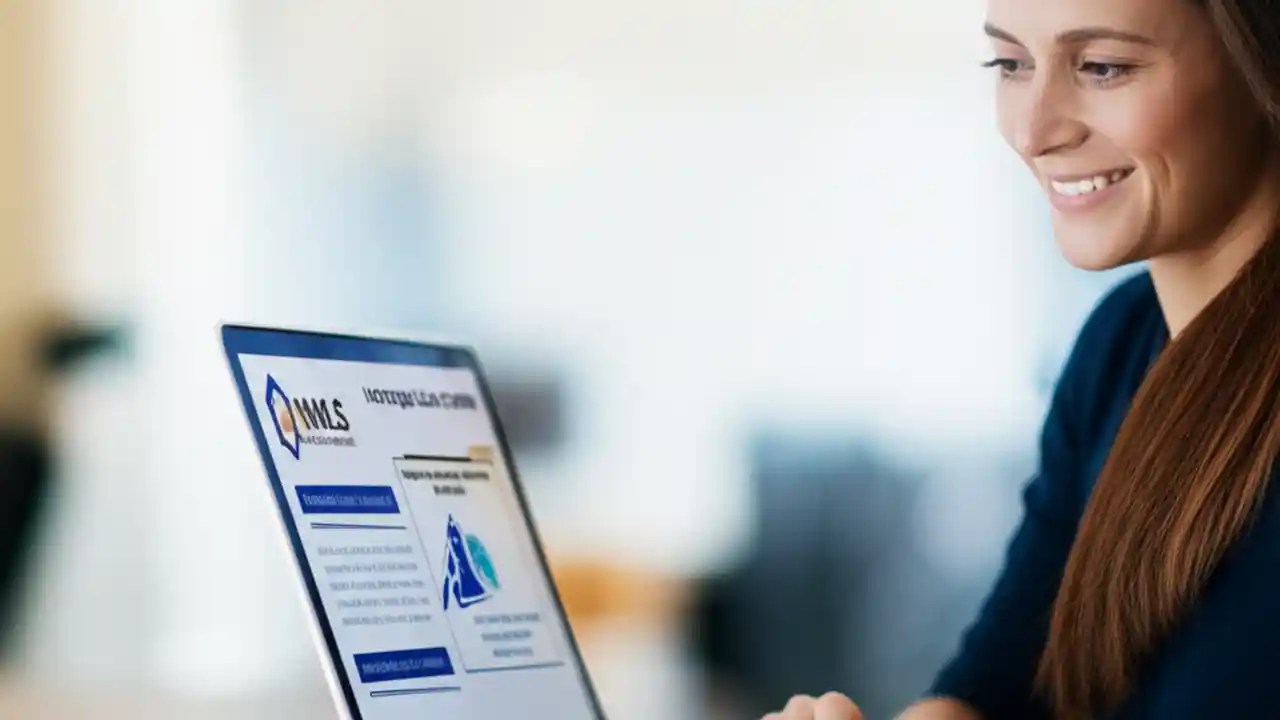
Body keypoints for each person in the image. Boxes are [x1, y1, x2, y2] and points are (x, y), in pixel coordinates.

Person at [762, 0, 1280, 717]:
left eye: (1103, 68)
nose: (1032, 133)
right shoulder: (1119, 344)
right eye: (1011, 64)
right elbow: (996, 688)